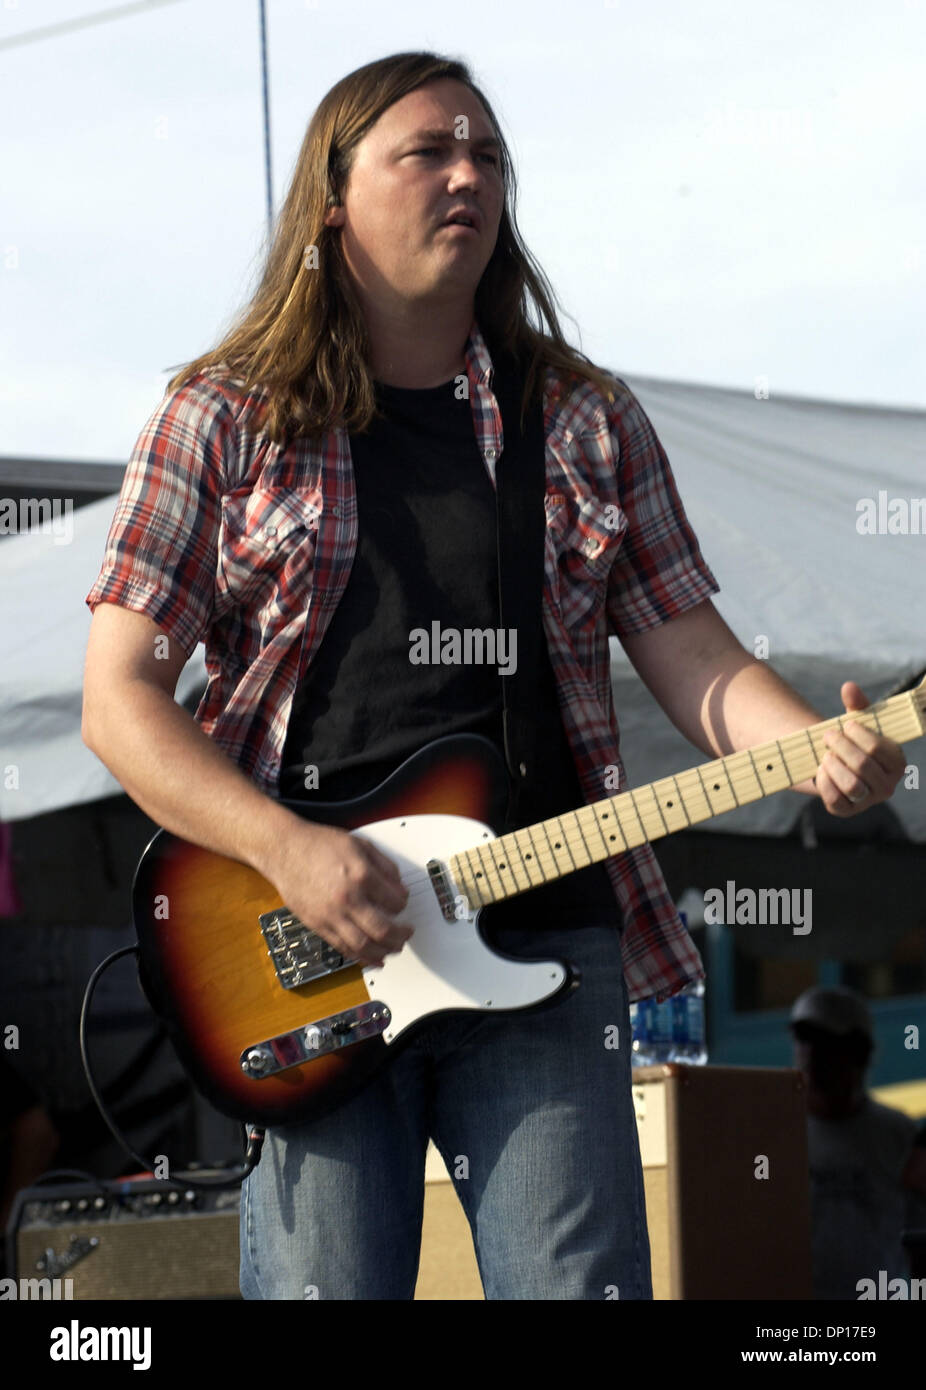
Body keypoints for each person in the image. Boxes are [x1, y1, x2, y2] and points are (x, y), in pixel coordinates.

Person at [81, 51, 907, 1300]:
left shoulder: (584, 419)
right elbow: (117, 702)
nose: (468, 173)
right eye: (428, 151)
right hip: (299, 951)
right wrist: (290, 851)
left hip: (546, 940)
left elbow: (698, 660)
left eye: (487, 155)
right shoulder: (218, 417)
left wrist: (818, 742)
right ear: (333, 198)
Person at [790, 986, 926, 1299]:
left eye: (826, 1042)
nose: (811, 1053)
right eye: (803, 1039)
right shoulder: (774, 1133)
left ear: (859, 1054)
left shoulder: (899, 1135)